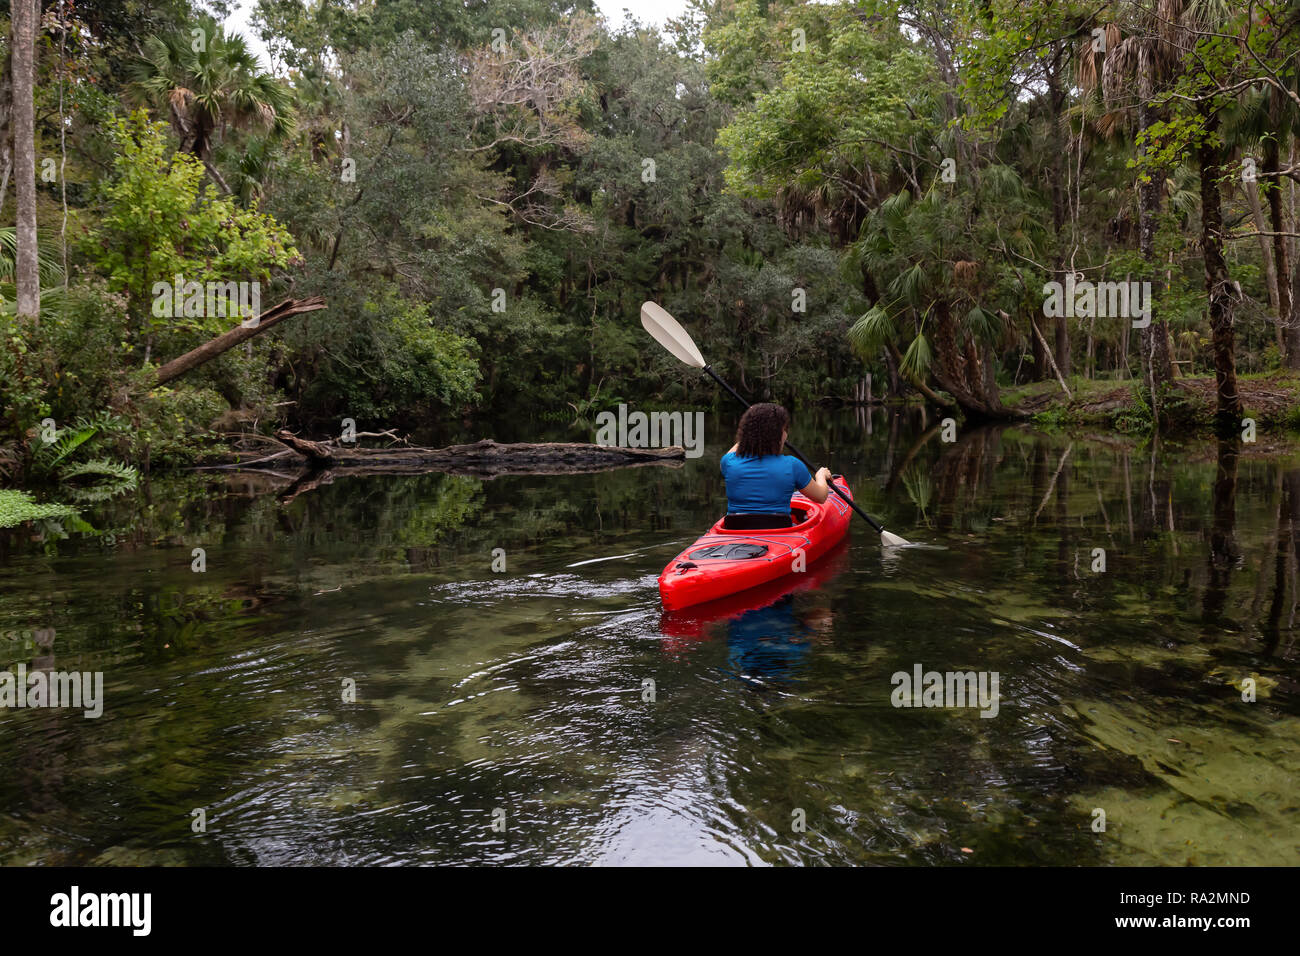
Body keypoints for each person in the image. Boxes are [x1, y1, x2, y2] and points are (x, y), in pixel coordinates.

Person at [720, 403, 832, 529]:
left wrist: (753, 427)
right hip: (778, 529)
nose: (786, 434)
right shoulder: (792, 465)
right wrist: (821, 475)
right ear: (777, 434)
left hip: (735, 529)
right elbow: (821, 497)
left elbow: (735, 450)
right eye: (785, 429)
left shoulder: (729, 462)